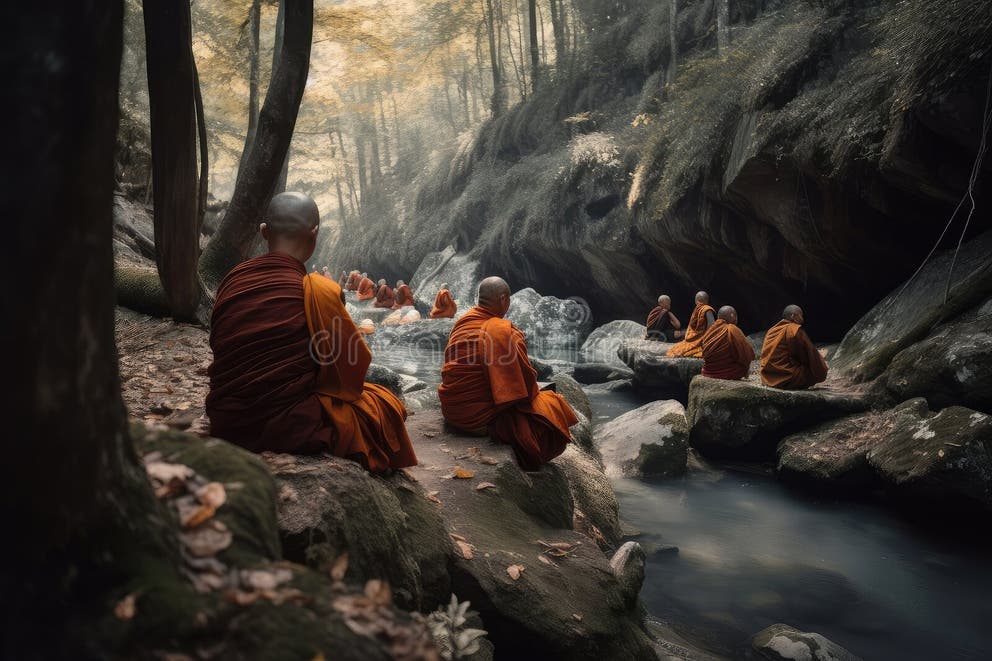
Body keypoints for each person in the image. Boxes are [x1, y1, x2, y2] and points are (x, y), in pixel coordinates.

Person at [205, 192, 417, 472]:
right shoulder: (321, 291)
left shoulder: (234, 279)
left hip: (227, 418)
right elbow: (351, 371)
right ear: (315, 234)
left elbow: (220, 343)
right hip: (291, 424)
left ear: (264, 232)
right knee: (385, 404)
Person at [438, 277, 577, 470]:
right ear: (504, 299)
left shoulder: (462, 323)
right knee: (554, 404)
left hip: (453, 412)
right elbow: (525, 390)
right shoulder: (505, 332)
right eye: (509, 300)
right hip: (481, 421)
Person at [760, 305, 829, 389]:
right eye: (801, 315)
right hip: (788, 377)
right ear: (793, 316)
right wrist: (819, 357)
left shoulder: (771, 330)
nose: (803, 319)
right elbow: (806, 356)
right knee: (815, 372)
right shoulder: (794, 330)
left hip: (767, 377)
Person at [700, 306, 754, 380]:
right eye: (736, 316)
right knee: (743, 367)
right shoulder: (732, 329)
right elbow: (746, 353)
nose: (736, 319)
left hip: (708, 371)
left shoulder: (710, 330)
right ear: (732, 316)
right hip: (727, 372)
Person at [667, 291, 716, 358]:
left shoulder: (703, 309)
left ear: (696, 301)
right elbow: (712, 325)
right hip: (702, 338)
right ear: (707, 300)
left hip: (696, 338)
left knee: (681, 347)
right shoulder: (706, 309)